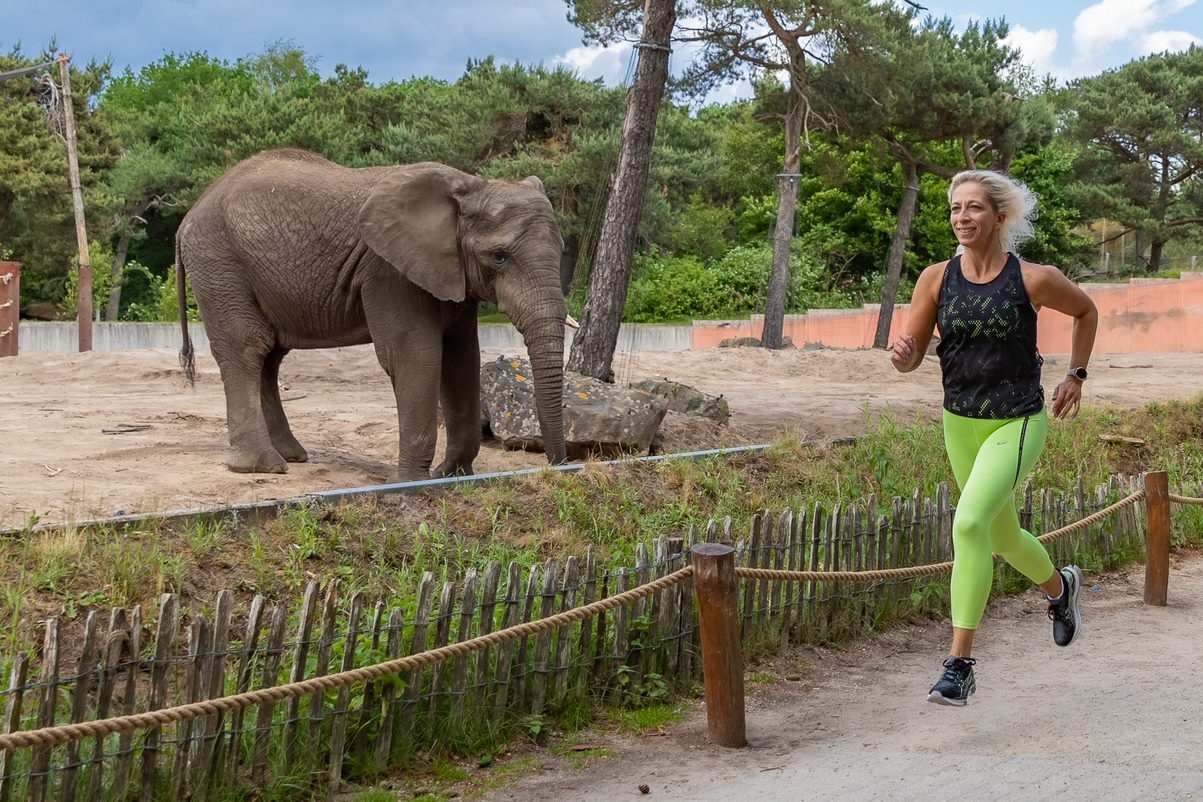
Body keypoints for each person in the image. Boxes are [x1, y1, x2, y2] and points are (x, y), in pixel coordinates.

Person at [889, 169, 1099, 706]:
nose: (962, 217)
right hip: (959, 421)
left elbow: (1086, 310)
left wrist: (1075, 375)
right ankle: (1061, 588)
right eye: (956, 209)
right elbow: (911, 356)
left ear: (999, 217)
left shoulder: (1034, 279)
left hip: (1019, 419)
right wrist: (904, 356)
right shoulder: (935, 279)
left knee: (970, 522)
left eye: (974, 208)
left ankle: (959, 666)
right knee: (1002, 538)